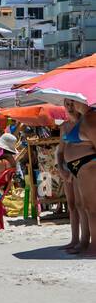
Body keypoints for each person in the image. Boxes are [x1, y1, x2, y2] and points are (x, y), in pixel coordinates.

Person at [59, 98, 96, 256]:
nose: (71, 106)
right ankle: (82, 241)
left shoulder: (89, 119)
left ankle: (92, 244)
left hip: (87, 165)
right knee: (80, 206)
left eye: (74, 102)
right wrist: (61, 167)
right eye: (68, 103)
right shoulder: (71, 124)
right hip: (76, 167)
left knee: (91, 208)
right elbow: (61, 151)